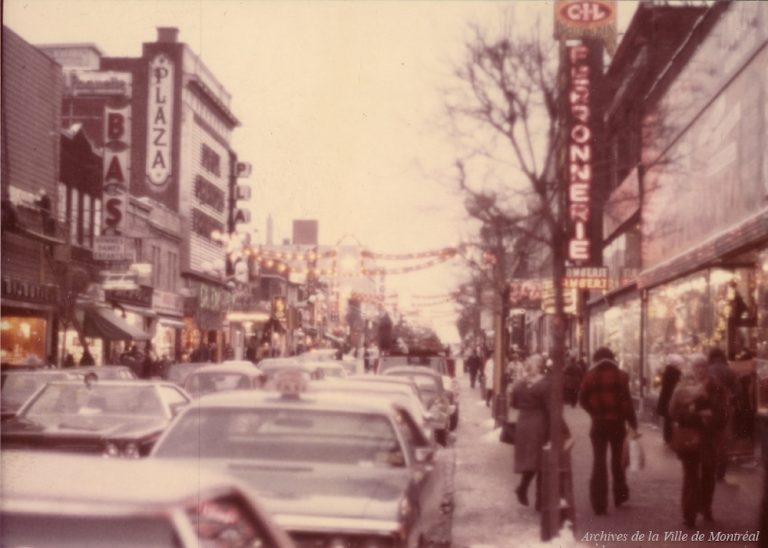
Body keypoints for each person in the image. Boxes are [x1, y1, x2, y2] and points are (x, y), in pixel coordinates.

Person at [668, 353, 728, 528]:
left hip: (709, 437)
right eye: (696, 366)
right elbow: (673, 412)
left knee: (708, 474)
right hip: (689, 437)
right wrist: (695, 414)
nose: (700, 369)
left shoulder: (717, 388)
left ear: (707, 368)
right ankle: (689, 514)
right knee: (690, 475)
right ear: (691, 368)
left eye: (703, 366)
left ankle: (706, 507)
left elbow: (724, 413)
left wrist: (712, 417)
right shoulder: (682, 388)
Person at [580, 347, 639, 515]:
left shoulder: (589, 376)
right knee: (617, 461)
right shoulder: (621, 376)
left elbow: (582, 399)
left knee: (599, 462)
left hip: (598, 424)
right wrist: (632, 423)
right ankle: (620, 495)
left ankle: (599, 503)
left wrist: (594, 412)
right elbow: (627, 403)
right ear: (612, 358)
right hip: (617, 424)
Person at [511, 353, 548, 510]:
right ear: (541, 366)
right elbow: (550, 406)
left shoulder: (519, 384)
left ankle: (524, 489)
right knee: (541, 461)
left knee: (531, 460)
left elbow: (514, 404)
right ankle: (538, 500)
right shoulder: (545, 384)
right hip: (539, 423)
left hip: (523, 422)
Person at [707, 347, 736, 481]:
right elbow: (739, 391)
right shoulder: (730, 371)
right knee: (723, 439)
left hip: (709, 409)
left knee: (710, 438)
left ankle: (710, 466)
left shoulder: (707, 370)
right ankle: (721, 469)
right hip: (725, 408)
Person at [656, 354, 685, 445]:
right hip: (671, 398)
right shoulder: (676, 373)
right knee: (670, 418)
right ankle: (670, 437)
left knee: (667, 419)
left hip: (666, 398)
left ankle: (667, 437)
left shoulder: (667, 371)